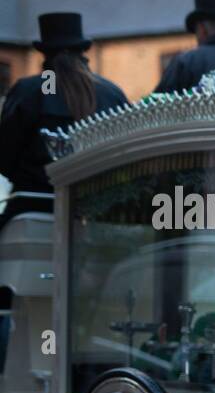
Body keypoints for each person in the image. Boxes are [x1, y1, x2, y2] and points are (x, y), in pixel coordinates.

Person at [0, 12, 128, 231]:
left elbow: (5, 157)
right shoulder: (110, 91)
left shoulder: (34, 89)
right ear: (82, 50)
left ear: (45, 51)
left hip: (33, 207)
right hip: (97, 211)